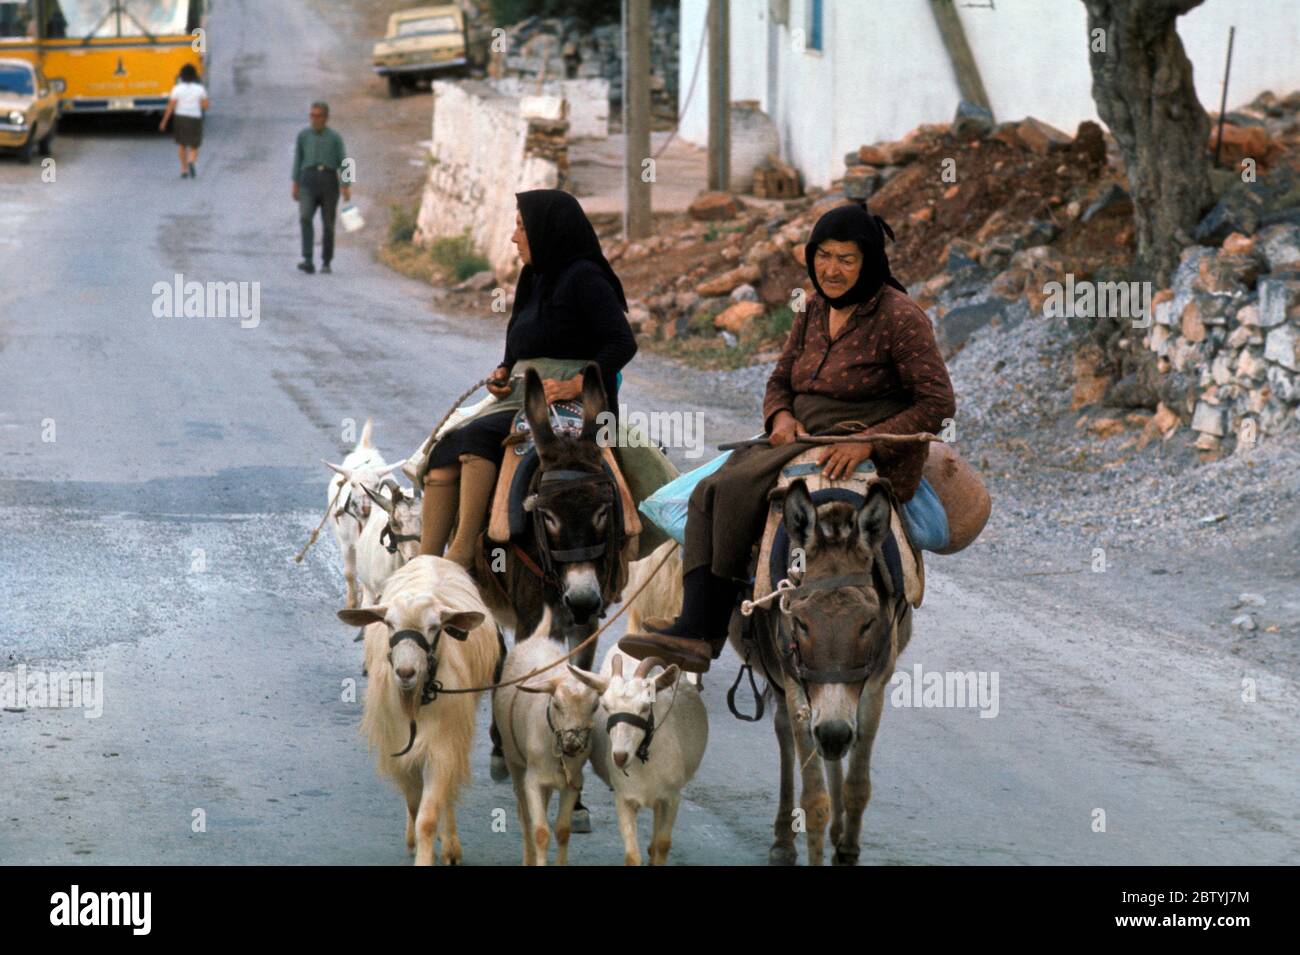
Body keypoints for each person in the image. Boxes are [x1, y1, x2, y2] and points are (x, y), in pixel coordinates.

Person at [619, 201, 957, 673]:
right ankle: (699, 626)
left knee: (736, 491)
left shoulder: (900, 317)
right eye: (823, 255)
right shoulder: (813, 308)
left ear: (870, 263)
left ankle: (715, 626)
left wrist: (869, 443)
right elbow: (780, 380)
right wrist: (779, 416)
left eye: (846, 259)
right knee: (712, 491)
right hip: (802, 435)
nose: (831, 269)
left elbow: (937, 404)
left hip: (867, 444)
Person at [417, 188, 638, 569]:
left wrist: (578, 384)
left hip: (575, 405)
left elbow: (623, 343)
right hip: (524, 396)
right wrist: (503, 372)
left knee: (476, 439)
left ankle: (463, 552)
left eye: (522, 227)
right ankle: (424, 562)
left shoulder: (586, 278)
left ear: (548, 230)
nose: (514, 237)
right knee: (443, 449)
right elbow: (519, 343)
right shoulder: (532, 277)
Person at [291, 101, 350, 274]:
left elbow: (345, 161)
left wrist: (346, 186)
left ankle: (326, 261)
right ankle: (308, 259)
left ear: (326, 118)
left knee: (328, 223)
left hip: (328, 181)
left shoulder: (334, 138)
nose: (314, 119)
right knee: (305, 217)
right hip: (307, 180)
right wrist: (295, 184)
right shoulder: (303, 136)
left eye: (318, 116)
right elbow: (297, 161)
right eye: (312, 115)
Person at [159, 64, 208, 179]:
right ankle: (191, 160)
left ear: (182, 76)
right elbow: (206, 106)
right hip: (195, 118)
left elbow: (171, 106)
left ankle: (184, 168)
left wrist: (164, 121)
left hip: (180, 118)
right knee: (194, 145)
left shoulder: (177, 89)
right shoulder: (200, 89)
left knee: (182, 145)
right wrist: (197, 104)